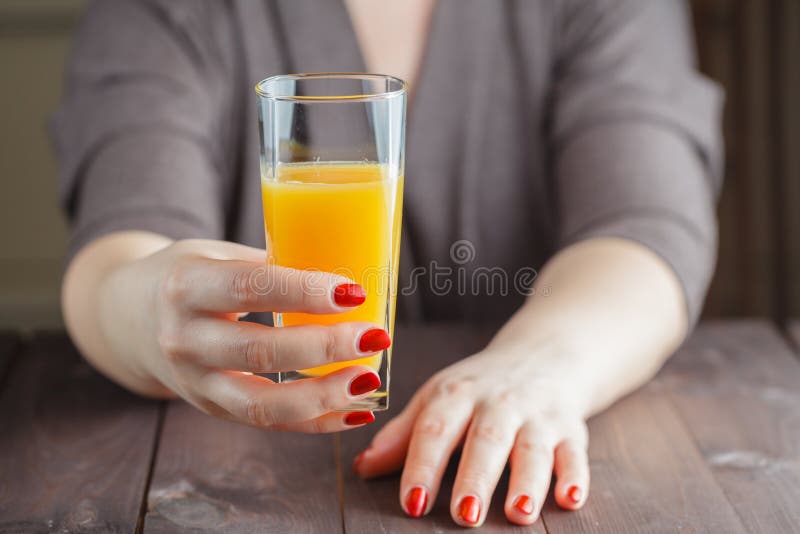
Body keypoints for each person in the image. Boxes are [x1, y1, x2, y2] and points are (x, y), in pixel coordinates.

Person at [52, 0, 722, 527]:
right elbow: (120, 244)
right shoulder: (167, 9)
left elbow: (646, 223)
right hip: (243, 476)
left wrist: (544, 364)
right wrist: (147, 308)